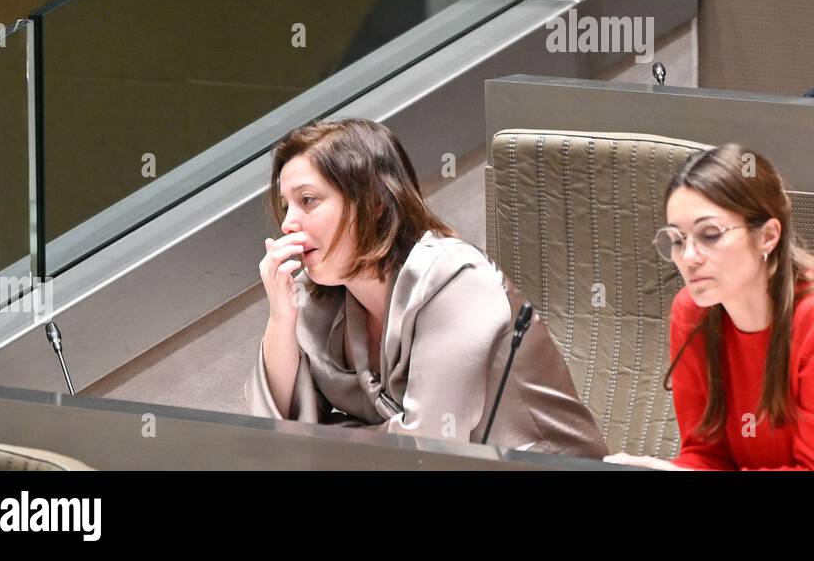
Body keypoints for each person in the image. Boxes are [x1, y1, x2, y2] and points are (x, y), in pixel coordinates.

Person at [244, 118, 607, 457]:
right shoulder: (319, 302)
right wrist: (280, 319)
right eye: (285, 206)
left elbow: (426, 446)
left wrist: (326, 438)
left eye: (308, 200)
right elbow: (275, 437)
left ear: (374, 205)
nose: (289, 223)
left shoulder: (458, 282)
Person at [606, 144, 814, 471]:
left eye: (709, 235)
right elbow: (708, 456)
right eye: (677, 239)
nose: (688, 257)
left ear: (767, 236)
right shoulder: (692, 313)